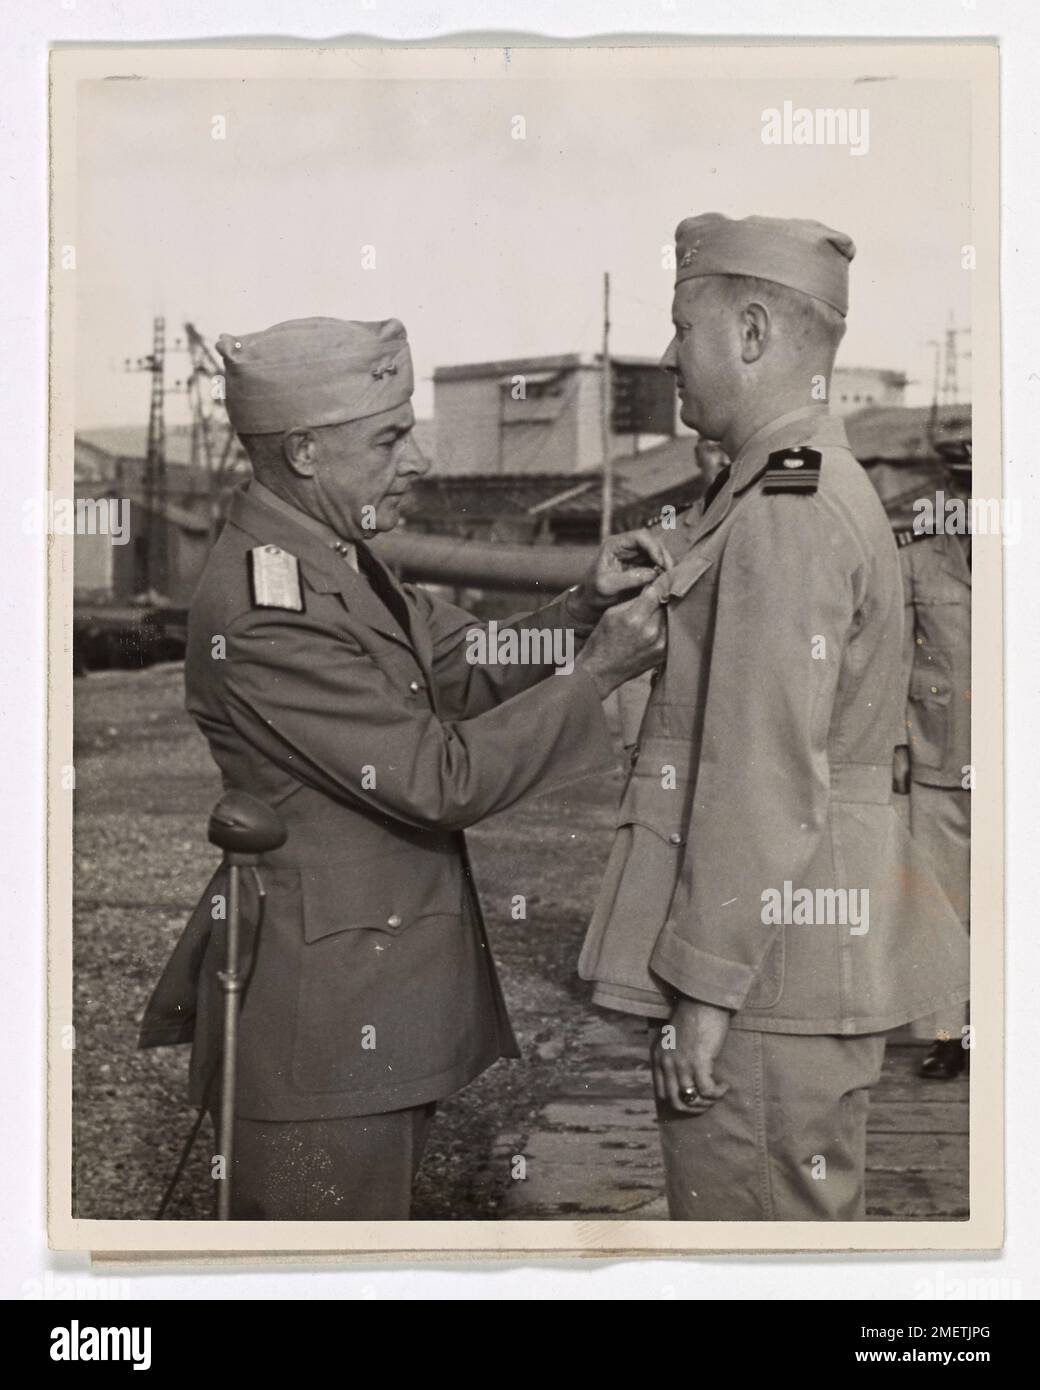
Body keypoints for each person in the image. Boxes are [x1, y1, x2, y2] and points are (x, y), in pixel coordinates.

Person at [139, 315, 669, 1219]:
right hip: (325, 1020)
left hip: (367, 990)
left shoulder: (335, 558)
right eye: (388, 437)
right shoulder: (269, 606)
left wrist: (582, 608)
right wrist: (600, 675)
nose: (415, 458)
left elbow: (460, 670)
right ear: (305, 451)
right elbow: (438, 778)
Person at [579, 214, 970, 1220]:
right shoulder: (789, 485)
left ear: (750, 333)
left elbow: (763, 769)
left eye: (682, 328)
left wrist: (704, 993)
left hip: (759, 984)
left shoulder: (783, 508)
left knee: (751, 1250)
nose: (668, 355)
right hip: (797, 961)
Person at [872, 461, 972, 1079]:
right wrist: (895, 742)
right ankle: (948, 1035)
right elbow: (891, 659)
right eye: (963, 486)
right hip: (938, 754)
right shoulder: (916, 561)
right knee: (941, 903)